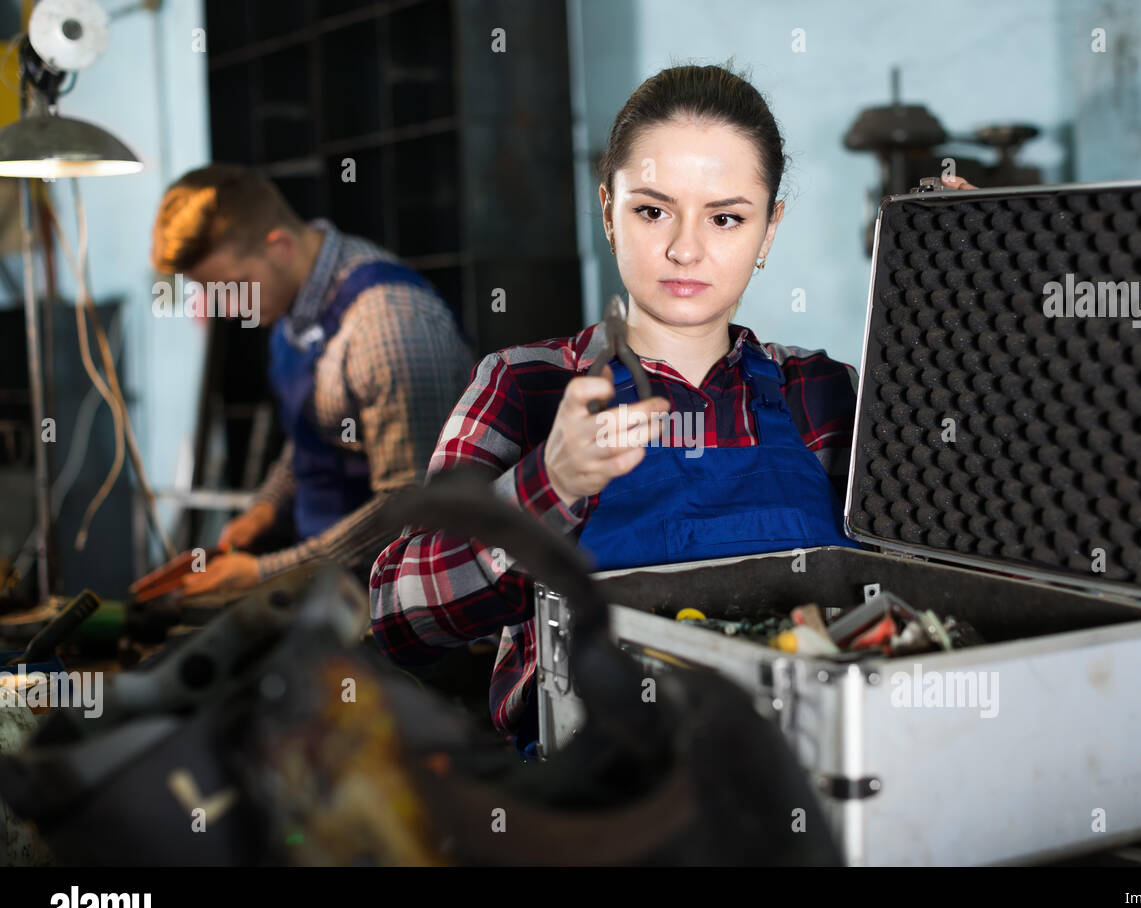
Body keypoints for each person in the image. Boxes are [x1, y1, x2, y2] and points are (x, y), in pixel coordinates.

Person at [369, 63, 972, 750]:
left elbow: (958, 555)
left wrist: (978, 310)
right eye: (652, 210)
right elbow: (398, 617)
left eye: (726, 218)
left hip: (811, 770)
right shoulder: (523, 386)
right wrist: (551, 484)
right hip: (604, 797)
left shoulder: (823, 392)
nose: (685, 249)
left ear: (769, 230)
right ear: (607, 211)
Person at [148, 164, 473, 594]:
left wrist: (266, 573)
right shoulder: (289, 305)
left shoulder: (386, 325)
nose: (226, 307)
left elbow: (411, 506)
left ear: (279, 245)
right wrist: (265, 507)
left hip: (406, 601)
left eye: (232, 286)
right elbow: (316, 435)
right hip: (334, 587)